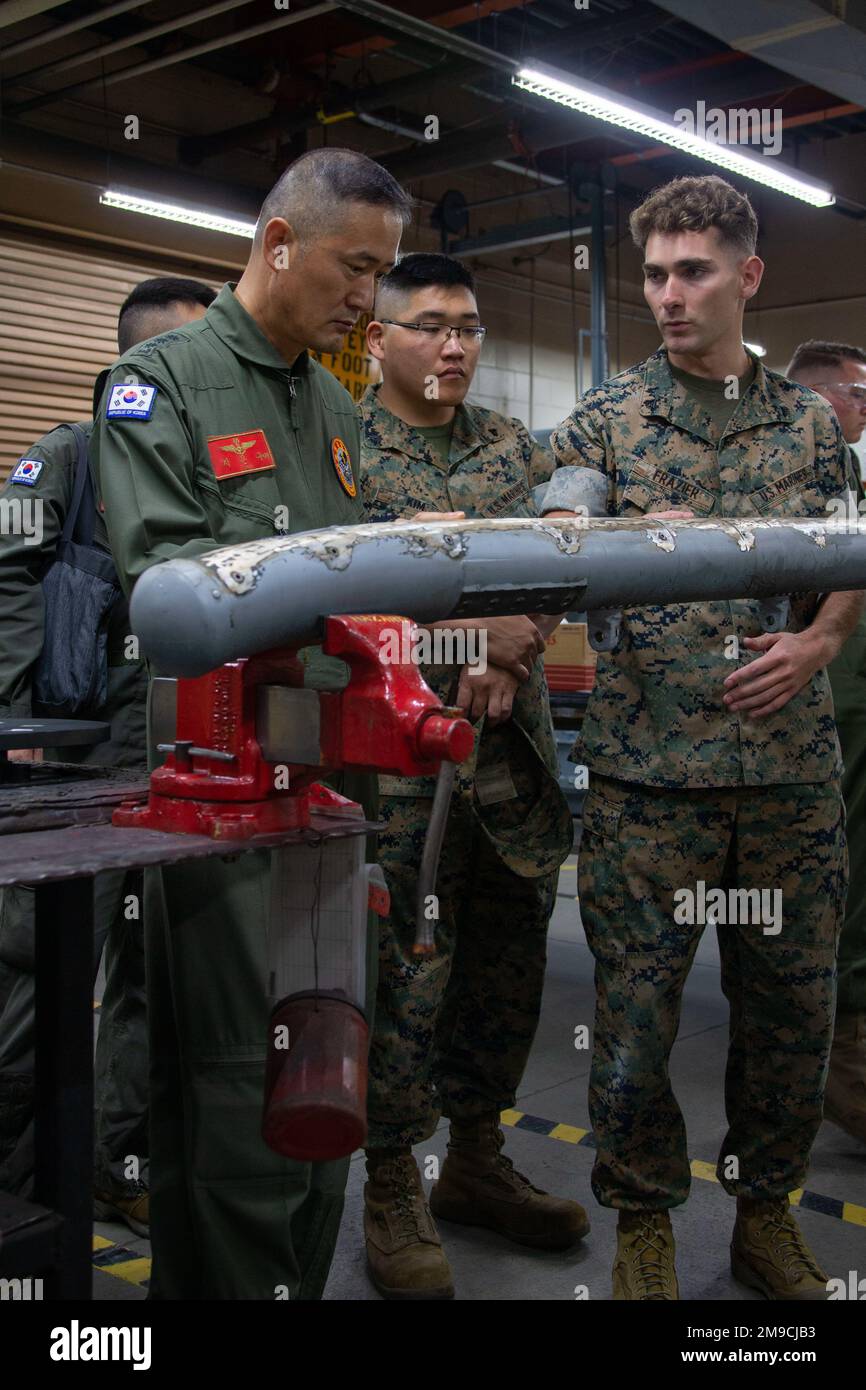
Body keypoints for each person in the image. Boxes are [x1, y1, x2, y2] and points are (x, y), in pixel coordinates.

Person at [91, 148, 413, 1299]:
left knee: (323, 1081)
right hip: (218, 800)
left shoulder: (332, 404)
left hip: (329, 798)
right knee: (235, 1093)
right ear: (280, 241)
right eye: (353, 266)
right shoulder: (159, 383)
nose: (367, 299)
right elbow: (172, 582)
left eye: (380, 273)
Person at [547, 174, 860, 1300]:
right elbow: (561, 516)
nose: (667, 296)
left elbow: (844, 557)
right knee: (632, 1022)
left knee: (788, 1017)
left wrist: (819, 645)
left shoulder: (809, 427)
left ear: (747, 275)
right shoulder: (606, 419)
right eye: (652, 274)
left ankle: (762, 1216)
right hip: (645, 779)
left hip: (783, 780)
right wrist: (602, 531)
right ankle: (640, 1228)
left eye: (691, 271)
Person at [357, 251, 588, 1300]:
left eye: (468, 327)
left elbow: (567, 547)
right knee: (408, 972)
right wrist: (466, 639)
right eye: (430, 325)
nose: (453, 345)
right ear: (376, 339)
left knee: (505, 966)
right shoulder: (344, 448)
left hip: (512, 756)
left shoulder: (507, 446)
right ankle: (393, 1181)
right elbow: (344, 597)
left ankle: (476, 1159)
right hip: (400, 769)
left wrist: (518, 639)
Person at [0, 277, 215, 1232]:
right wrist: (23, 722)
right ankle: (13, 1185)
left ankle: (116, 1160)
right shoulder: (68, 458)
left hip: (170, 753)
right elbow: (3, 563)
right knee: (33, 966)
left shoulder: (199, 472)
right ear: (128, 369)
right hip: (74, 757)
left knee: (143, 968)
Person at [787, 339, 866, 1145]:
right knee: (839, 892)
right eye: (858, 391)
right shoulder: (792, 484)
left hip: (851, 704)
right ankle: (842, 1067)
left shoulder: (850, 486)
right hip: (831, 718)